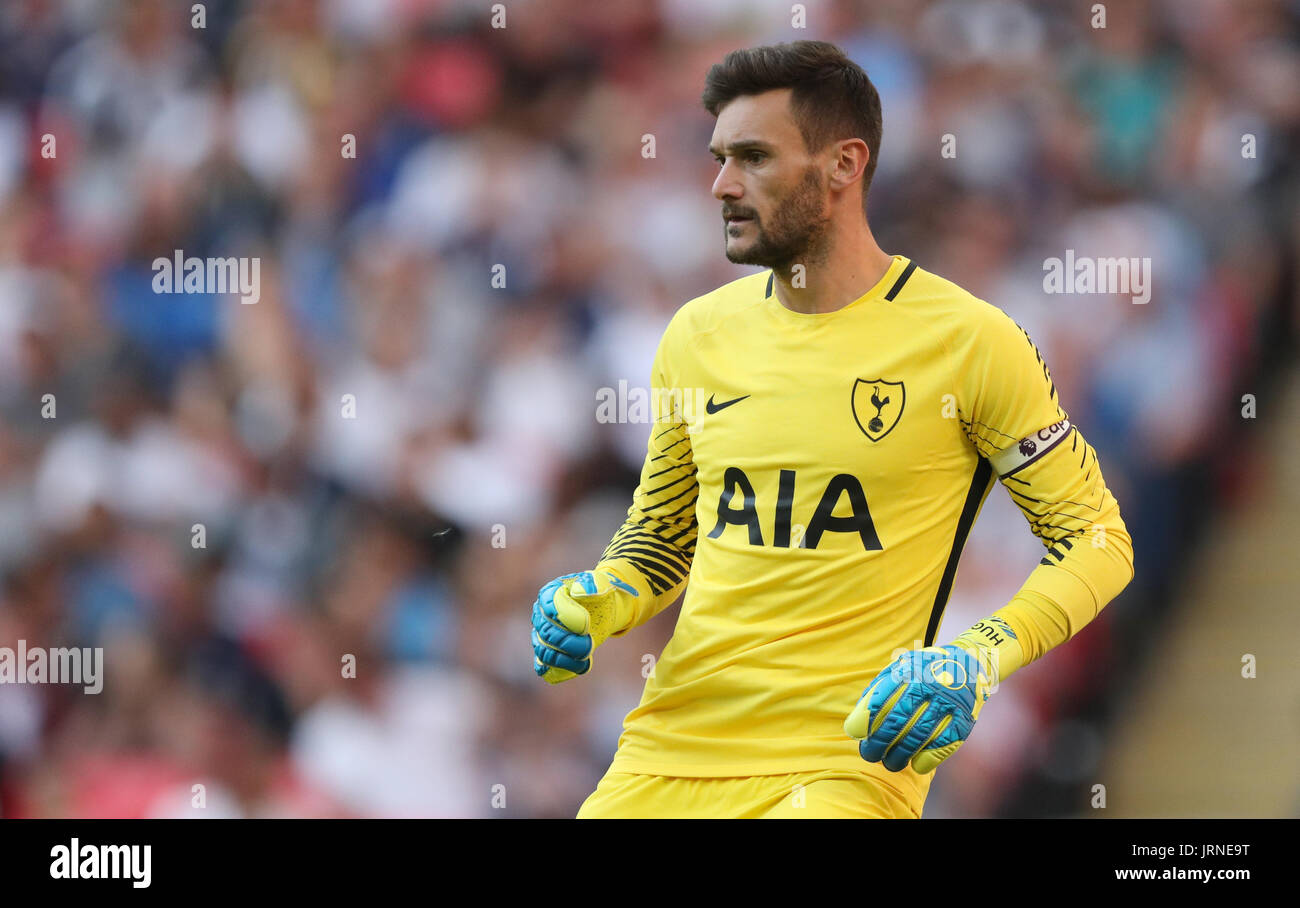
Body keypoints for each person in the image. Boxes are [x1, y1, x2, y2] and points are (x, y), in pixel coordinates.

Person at [530, 40, 1134, 819]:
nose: (722, 185)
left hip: (842, 768)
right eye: (719, 159)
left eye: (753, 157)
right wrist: (601, 597)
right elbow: (665, 537)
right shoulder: (697, 337)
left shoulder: (972, 343)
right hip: (665, 757)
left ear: (844, 164)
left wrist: (976, 657)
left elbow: (1096, 539)